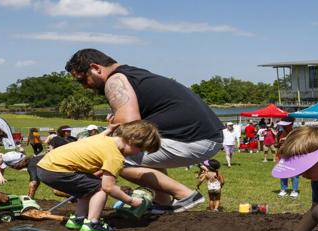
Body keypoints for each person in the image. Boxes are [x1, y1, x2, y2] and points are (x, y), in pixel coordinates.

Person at [65, 48, 222, 213]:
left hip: (193, 139)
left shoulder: (115, 80)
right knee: (135, 150)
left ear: (96, 68)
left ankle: (185, 195)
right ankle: (162, 202)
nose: (84, 87)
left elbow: (130, 126)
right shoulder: (133, 74)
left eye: (82, 79)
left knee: (114, 157)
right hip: (205, 137)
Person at [29, 119, 161, 231]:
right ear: (133, 142)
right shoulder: (115, 156)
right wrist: (131, 201)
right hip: (57, 171)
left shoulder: (103, 138)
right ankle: (92, 223)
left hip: (44, 167)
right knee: (100, 188)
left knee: (87, 187)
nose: (140, 153)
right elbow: (108, 187)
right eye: (141, 149)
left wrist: (109, 128)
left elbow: (103, 134)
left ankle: (78, 219)